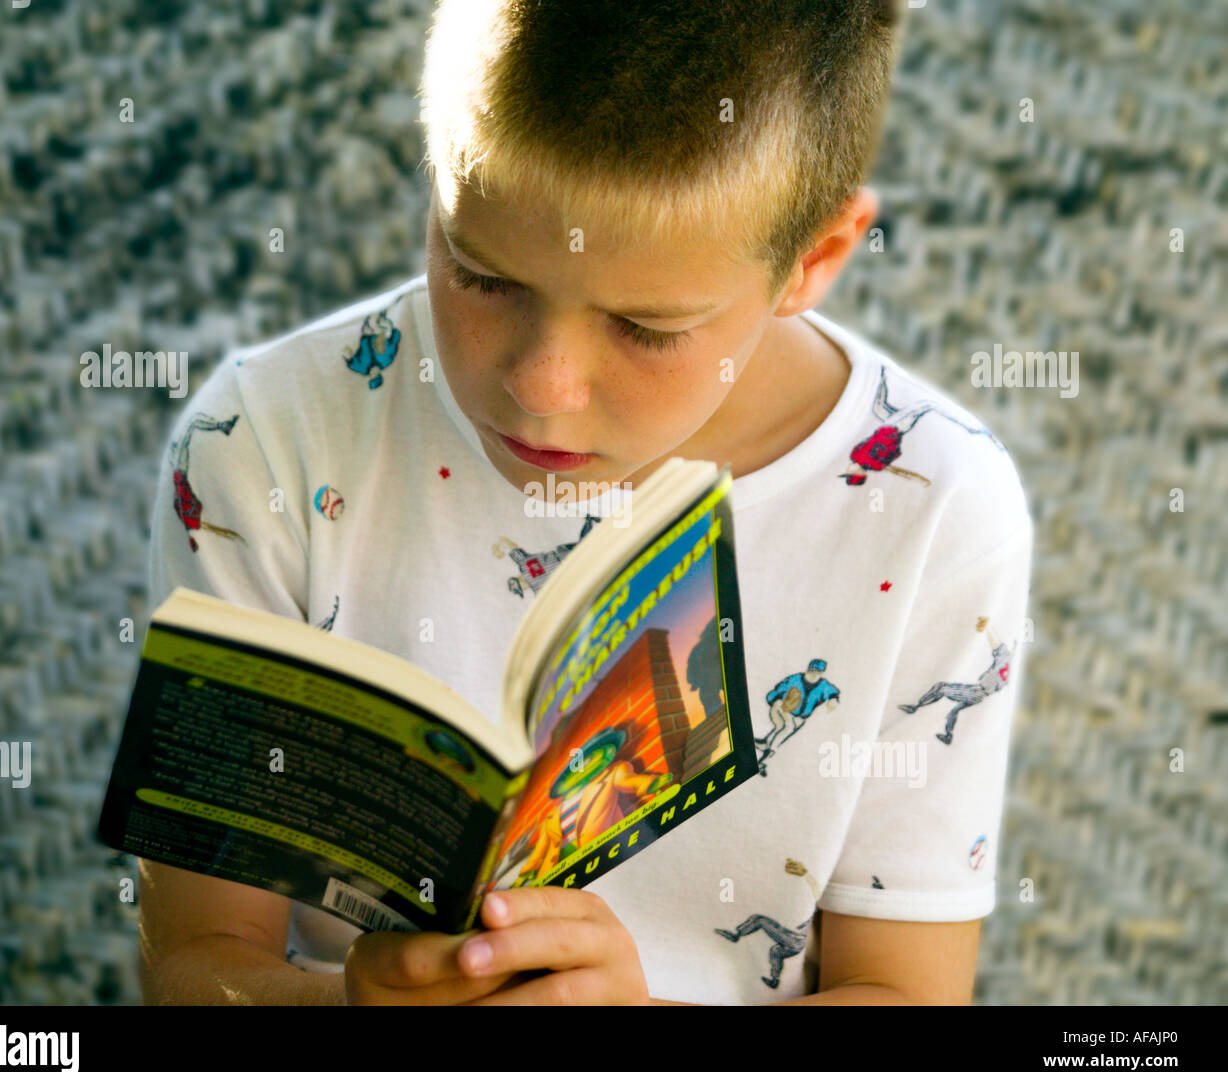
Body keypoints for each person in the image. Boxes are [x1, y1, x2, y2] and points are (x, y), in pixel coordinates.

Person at [137, 0, 1033, 1005]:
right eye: (481, 277)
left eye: (647, 329)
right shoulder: (264, 440)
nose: (541, 384)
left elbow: (906, 994)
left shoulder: (932, 505)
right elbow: (193, 967)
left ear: (815, 262)